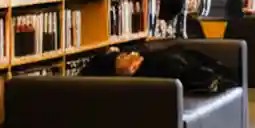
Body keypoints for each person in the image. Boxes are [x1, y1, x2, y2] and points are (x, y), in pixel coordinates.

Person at [80, 44, 238, 94]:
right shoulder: (99, 67)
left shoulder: (128, 56)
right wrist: (126, 62)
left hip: (144, 64)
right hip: (142, 72)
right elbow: (122, 67)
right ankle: (215, 78)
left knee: (181, 53)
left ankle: (221, 73)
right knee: (174, 63)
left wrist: (130, 55)